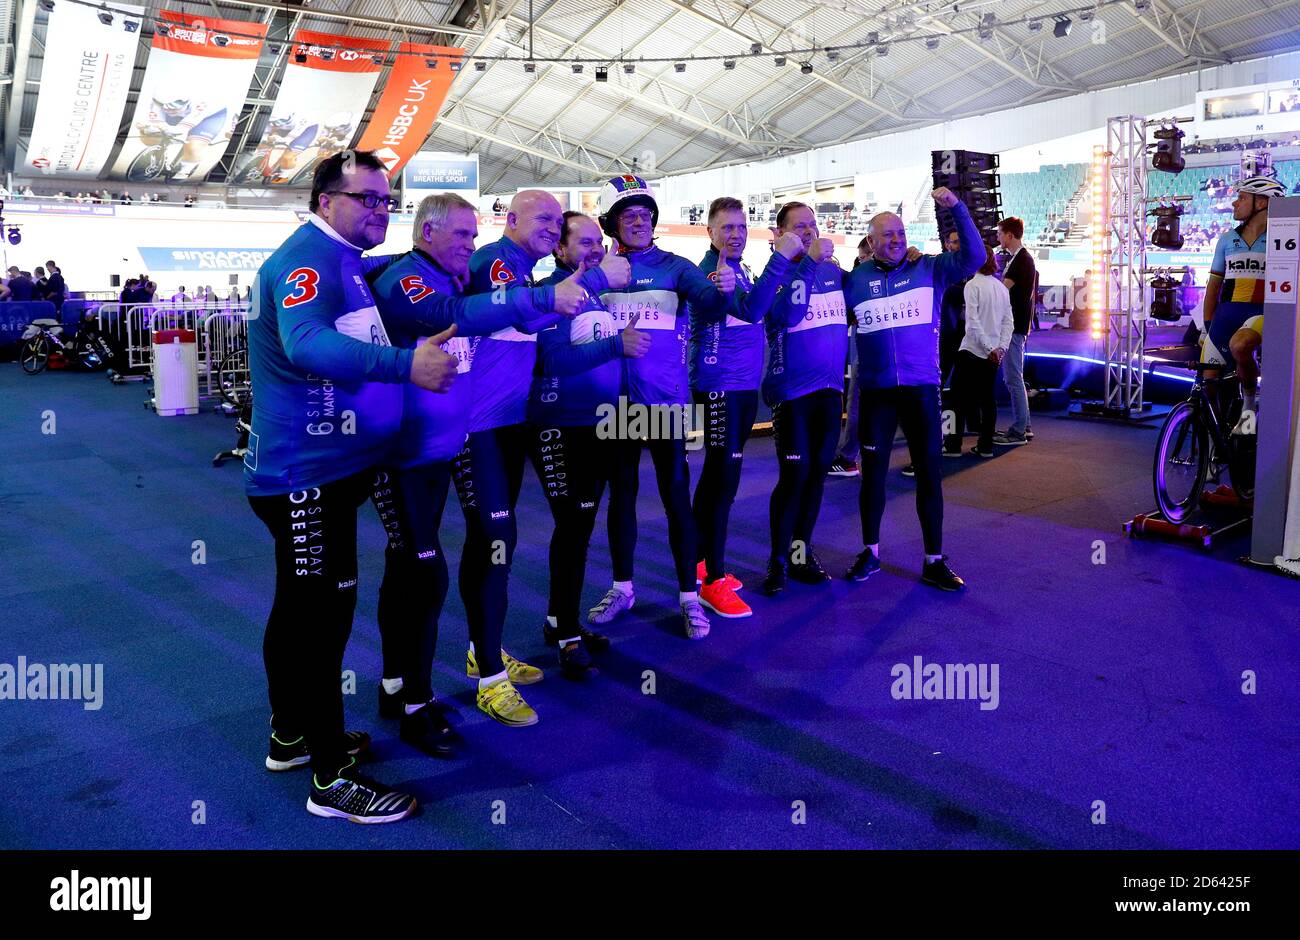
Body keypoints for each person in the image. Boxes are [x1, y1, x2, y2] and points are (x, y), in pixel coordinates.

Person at [245, 149, 461, 824]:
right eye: (367, 198)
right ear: (325, 199)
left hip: (321, 472)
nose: (380, 209)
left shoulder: (343, 259)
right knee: (321, 622)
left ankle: (294, 736)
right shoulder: (308, 260)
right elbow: (306, 344)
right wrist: (405, 366)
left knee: (297, 611)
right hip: (305, 477)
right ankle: (331, 780)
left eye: (386, 198)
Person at [367, 192, 591, 749]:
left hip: (456, 435)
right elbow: (456, 314)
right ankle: (438, 687)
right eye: (462, 234)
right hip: (431, 442)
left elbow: (486, 317)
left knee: (447, 555)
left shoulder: (460, 272)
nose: (470, 244)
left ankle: (415, 683)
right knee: (428, 565)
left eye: (473, 233)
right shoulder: (467, 270)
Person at [455, 190, 629, 723]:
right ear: (510, 220)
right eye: (545, 219)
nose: (552, 227)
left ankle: (484, 652)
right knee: (492, 541)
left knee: (492, 543)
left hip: (510, 422)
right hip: (479, 426)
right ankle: (487, 675)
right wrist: (597, 284)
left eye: (559, 220)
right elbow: (535, 328)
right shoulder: (498, 265)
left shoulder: (525, 272)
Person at [584, 174, 750, 640]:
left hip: (665, 404)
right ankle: (623, 588)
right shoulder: (600, 270)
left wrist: (722, 288)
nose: (638, 222)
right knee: (622, 499)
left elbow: (712, 308)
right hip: (615, 405)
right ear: (612, 223)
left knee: (676, 498)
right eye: (628, 215)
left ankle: (688, 597)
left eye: (645, 215)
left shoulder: (676, 266)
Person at [843, 187, 983, 591]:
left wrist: (957, 208)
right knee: (872, 477)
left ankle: (934, 559)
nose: (897, 240)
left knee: (928, 476)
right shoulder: (854, 281)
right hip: (877, 395)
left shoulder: (931, 269)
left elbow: (974, 258)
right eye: (887, 235)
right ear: (870, 242)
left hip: (922, 390)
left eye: (901, 233)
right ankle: (870, 551)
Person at [530, 211, 648, 676]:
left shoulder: (592, 293)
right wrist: (617, 343)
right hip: (560, 427)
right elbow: (552, 360)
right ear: (560, 250)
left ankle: (563, 621)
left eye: (598, 242)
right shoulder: (556, 294)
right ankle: (565, 632)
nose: (595, 250)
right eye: (584, 243)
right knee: (573, 529)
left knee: (580, 526)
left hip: (601, 423)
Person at [689, 197, 800, 618]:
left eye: (740, 226)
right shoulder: (712, 273)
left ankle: (701, 565)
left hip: (736, 387)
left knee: (719, 479)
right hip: (720, 387)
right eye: (726, 227)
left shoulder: (740, 269)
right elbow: (752, 310)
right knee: (722, 481)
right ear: (710, 232)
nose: (735, 234)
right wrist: (783, 257)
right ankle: (712, 580)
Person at [760, 202, 849, 595]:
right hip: (793, 394)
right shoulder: (778, 274)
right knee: (794, 476)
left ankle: (800, 553)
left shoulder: (834, 271)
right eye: (799, 227)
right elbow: (787, 316)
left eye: (812, 224)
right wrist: (809, 262)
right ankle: (778, 561)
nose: (809, 231)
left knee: (815, 476)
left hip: (830, 392)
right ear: (779, 235)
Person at [1202, 175, 1286, 427]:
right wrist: (1207, 325)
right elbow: (1213, 286)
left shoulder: (1281, 239)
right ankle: (1212, 446)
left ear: (1261, 202)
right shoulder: (1227, 239)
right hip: (1226, 314)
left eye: (1241, 198)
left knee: (1240, 346)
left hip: (1260, 313)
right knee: (1207, 386)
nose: (1234, 204)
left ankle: (1249, 405)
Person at [945, 244, 1012, 458]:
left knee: (955, 400)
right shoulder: (1001, 288)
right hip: (992, 355)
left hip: (972, 350)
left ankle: (951, 444)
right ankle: (985, 446)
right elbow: (1008, 322)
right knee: (987, 400)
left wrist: (990, 348)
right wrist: (999, 348)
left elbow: (972, 324)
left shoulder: (972, 286)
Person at [829, 236, 873, 478]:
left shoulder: (860, 280)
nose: (860, 262)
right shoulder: (861, 279)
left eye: (863, 257)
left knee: (857, 403)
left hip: (865, 353)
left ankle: (848, 459)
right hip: (871, 353)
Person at [992, 217, 1036, 446]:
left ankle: (1019, 430)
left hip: (1014, 328)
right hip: (1015, 326)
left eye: (1000, 233)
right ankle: (1023, 426)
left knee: (1013, 378)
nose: (998, 237)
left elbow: (1001, 292)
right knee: (1013, 377)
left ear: (1009, 235)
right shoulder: (1020, 259)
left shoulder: (1021, 261)